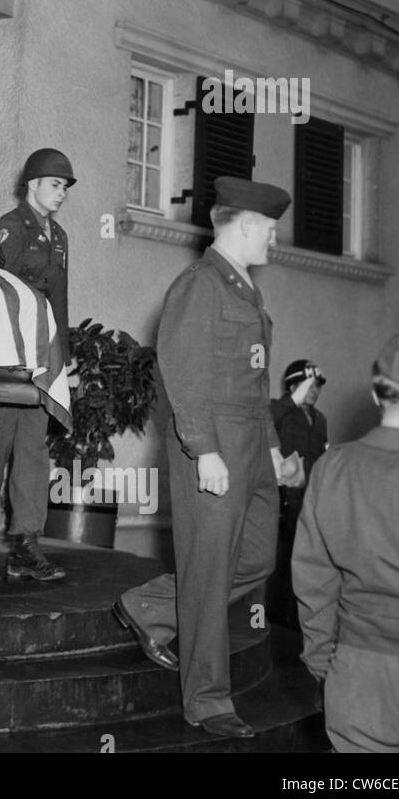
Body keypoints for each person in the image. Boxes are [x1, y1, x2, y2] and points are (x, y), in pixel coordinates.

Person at [114, 176, 301, 739]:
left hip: (250, 444)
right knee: (210, 568)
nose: (273, 239)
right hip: (214, 443)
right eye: (269, 229)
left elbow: (257, 378)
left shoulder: (244, 287)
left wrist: (273, 452)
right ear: (245, 225)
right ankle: (208, 701)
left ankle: (148, 606)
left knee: (255, 561)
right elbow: (182, 371)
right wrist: (204, 451)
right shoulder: (200, 285)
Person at [293, 330, 399, 753]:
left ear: (375, 394)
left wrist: (325, 664)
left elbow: (314, 584)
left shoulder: (332, 470)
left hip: (353, 684)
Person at [0, 149, 74, 580]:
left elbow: (58, 300)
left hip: (39, 357)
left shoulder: (58, 236)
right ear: (32, 186)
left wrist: (64, 359)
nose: (61, 193)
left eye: (64, 187)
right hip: (2, 355)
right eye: (55, 184)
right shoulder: (9, 229)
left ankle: (26, 542)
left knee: (32, 451)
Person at [266, 360, 329, 628]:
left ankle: (296, 623)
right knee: (278, 563)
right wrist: (292, 400)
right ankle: (274, 621)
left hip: (310, 501)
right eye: (309, 384)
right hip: (282, 501)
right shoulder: (279, 410)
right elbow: (264, 421)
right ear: (293, 385)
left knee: (305, 562)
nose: (314, 390)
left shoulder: (320, 419)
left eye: (317, 385)